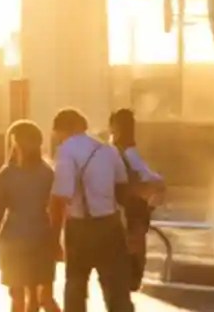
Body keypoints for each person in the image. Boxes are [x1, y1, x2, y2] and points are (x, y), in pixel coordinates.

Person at [50, 108, 134, 312]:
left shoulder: (66, 151)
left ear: (62, 130)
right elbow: (123, 190)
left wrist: (54, 239)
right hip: (110, 225)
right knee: (116, 289)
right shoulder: (108, 149)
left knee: (76, 287)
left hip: (80, 227)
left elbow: (61, 197)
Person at [0, 120, 60, 312]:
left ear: (14, 143)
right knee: (34, 294)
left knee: (17, 294)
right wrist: (56, 239)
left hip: (14, 238)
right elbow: (55, 209)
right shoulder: (48, 173)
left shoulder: (6, 174)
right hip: (40, 236)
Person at [109, 109, 165, 292]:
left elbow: (153, 182)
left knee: (127, 266)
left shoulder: (122, 153)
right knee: (130, 262)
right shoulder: (125, 153)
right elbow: (155, 183)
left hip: (125, 217)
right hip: (131, 216)